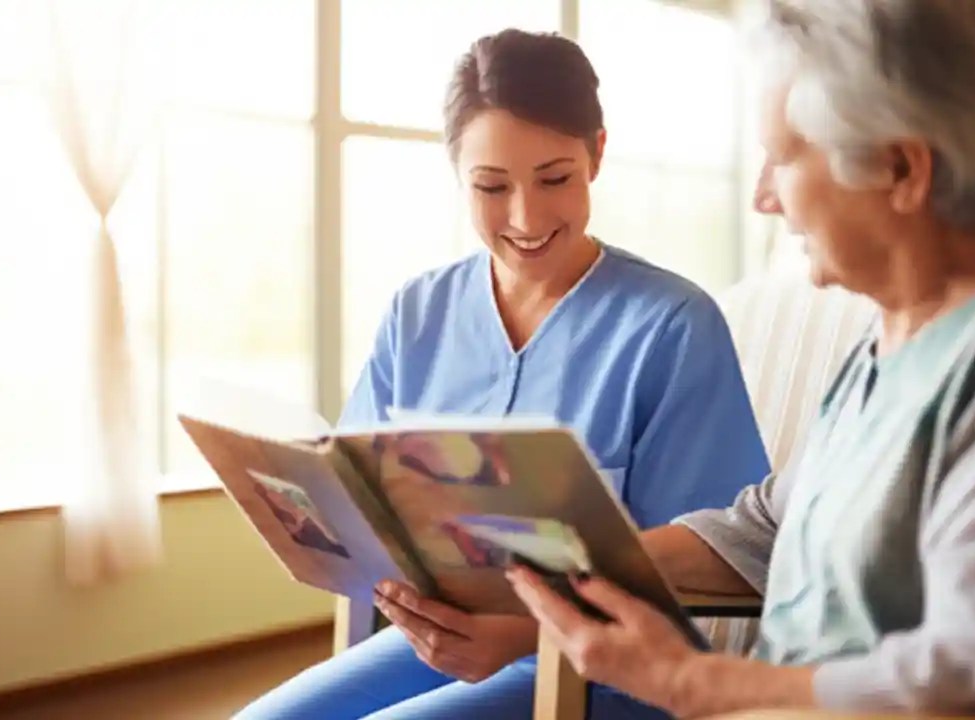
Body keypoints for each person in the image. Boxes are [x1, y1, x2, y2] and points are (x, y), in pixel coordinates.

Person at [509, 0, 975, 716]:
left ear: (900, 169)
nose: (765, 197)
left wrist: (686, 681)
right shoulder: (892, 328)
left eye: (785, 157)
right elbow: (767, 527)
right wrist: (560, 568)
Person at [233, 28, 770, 720]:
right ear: (457, 173)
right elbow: (358, 504)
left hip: (608, 671)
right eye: (491, 186)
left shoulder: (672, 326)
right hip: (434, 642)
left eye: (555, 178)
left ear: (597, 155)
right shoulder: (418, 313)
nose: (526, 218)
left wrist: (522, 632)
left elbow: (707, 563)